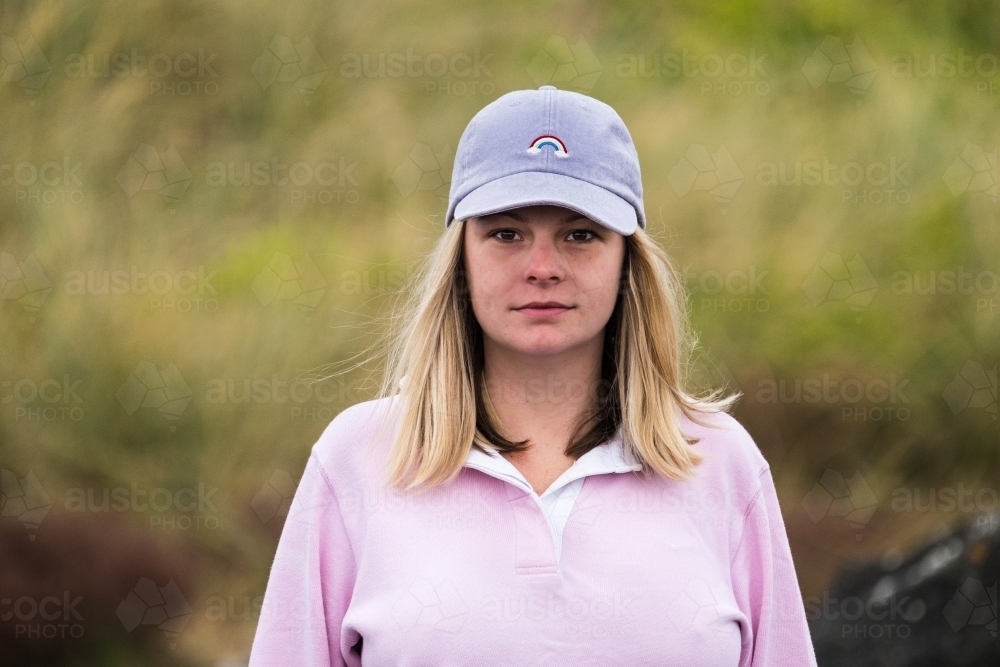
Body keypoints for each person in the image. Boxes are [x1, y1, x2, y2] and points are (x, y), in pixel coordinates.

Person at [247, 85, 819, 666]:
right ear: (461, 257)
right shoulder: (360, 457)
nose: (542, 268)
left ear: (627, 260)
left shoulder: (719, 461)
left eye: (579, 235)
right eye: (506, 233)